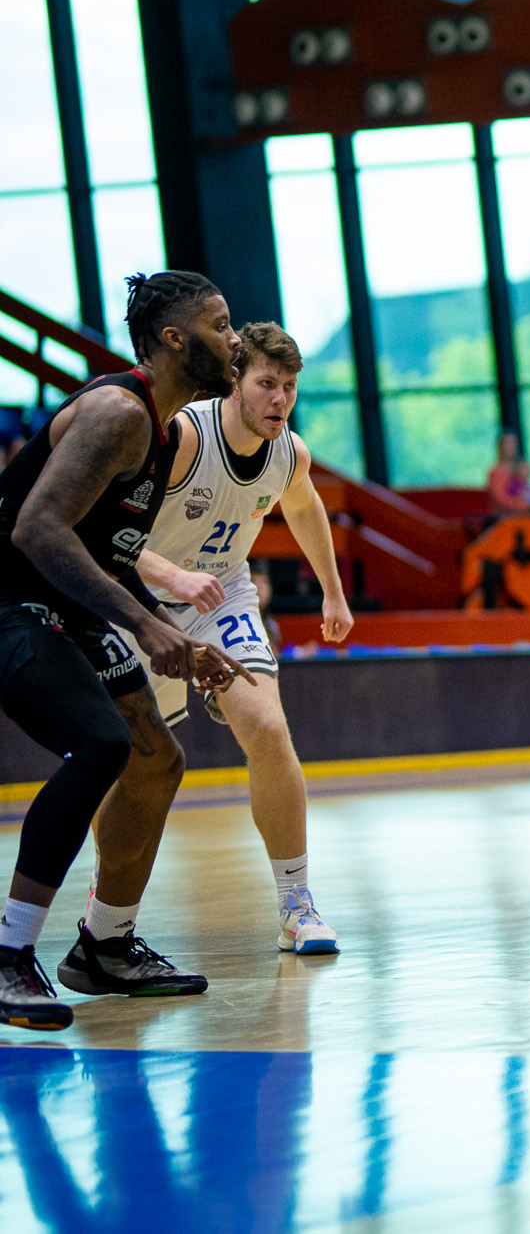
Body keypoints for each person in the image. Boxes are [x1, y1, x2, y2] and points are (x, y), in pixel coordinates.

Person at [0, 270, 253, 1030]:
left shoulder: (169, 435)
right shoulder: (117, 412)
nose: (233, 337)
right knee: (100, 742)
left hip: (65, 604)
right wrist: (148, 629)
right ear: (174, 339)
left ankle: (104, 946)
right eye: (220, 323)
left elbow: (106, 554)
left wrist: (169, 629)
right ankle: (9, 952)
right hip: (10, 599)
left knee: (155, 755)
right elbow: (37, 529)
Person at [125, 321, 355, 957]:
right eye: (265, 384)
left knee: (269, 730)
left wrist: (333, 592)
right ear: (235, 382)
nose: (279, 399)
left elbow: (304, 507)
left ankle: (296, 904)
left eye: (288, 387)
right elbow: (99, 527)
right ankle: (110, 917)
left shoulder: (290, 453)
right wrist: (169, 574)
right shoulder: (182, 436)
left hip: (220, 596)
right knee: (133, 759)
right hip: (137, 600)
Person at [487, 432, 530, 515]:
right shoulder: (497, 471)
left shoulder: (521, 466)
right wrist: (524, 505)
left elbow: (525, 491)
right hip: (506, 516)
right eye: (507, 443)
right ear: (500, 445)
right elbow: (500, 498)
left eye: (513, 443)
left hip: (526, 513)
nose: (510, 446)